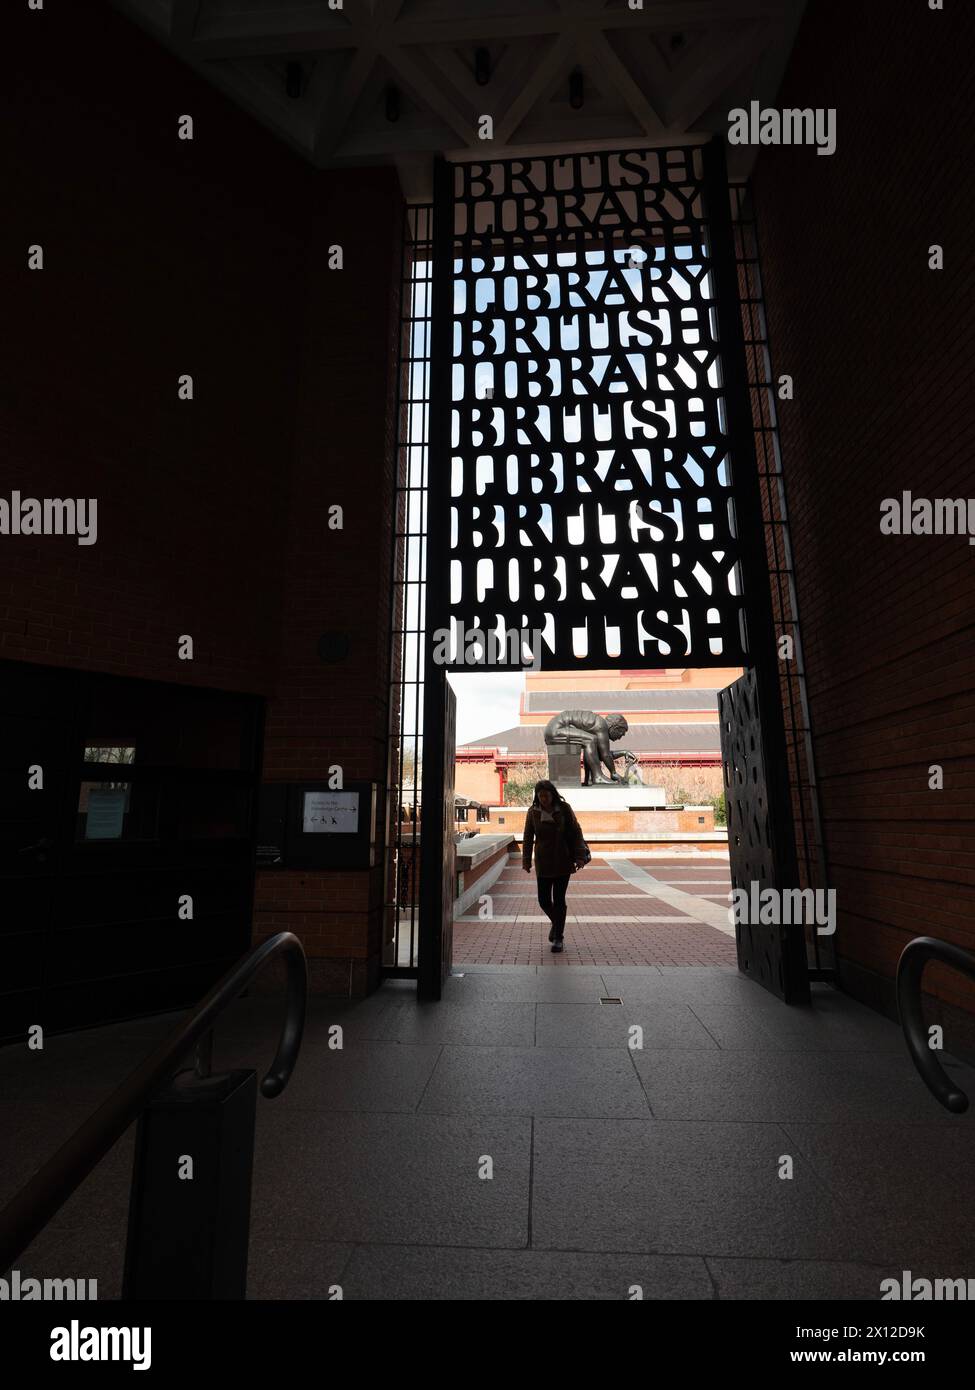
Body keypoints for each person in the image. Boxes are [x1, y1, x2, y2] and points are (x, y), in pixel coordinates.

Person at [522, 779, 588, 953]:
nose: (544, 799)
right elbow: (528, 837)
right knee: (543, 900)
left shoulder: (564, 809)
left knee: (559, 900)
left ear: (553, 794)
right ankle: (556, 923)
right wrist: (526, 860)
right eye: (540, 796)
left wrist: (580, 856)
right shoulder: (533, 813)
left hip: (562, 860)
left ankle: (558, 937)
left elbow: (576, 832)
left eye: (546, 795)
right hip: (543, 862)